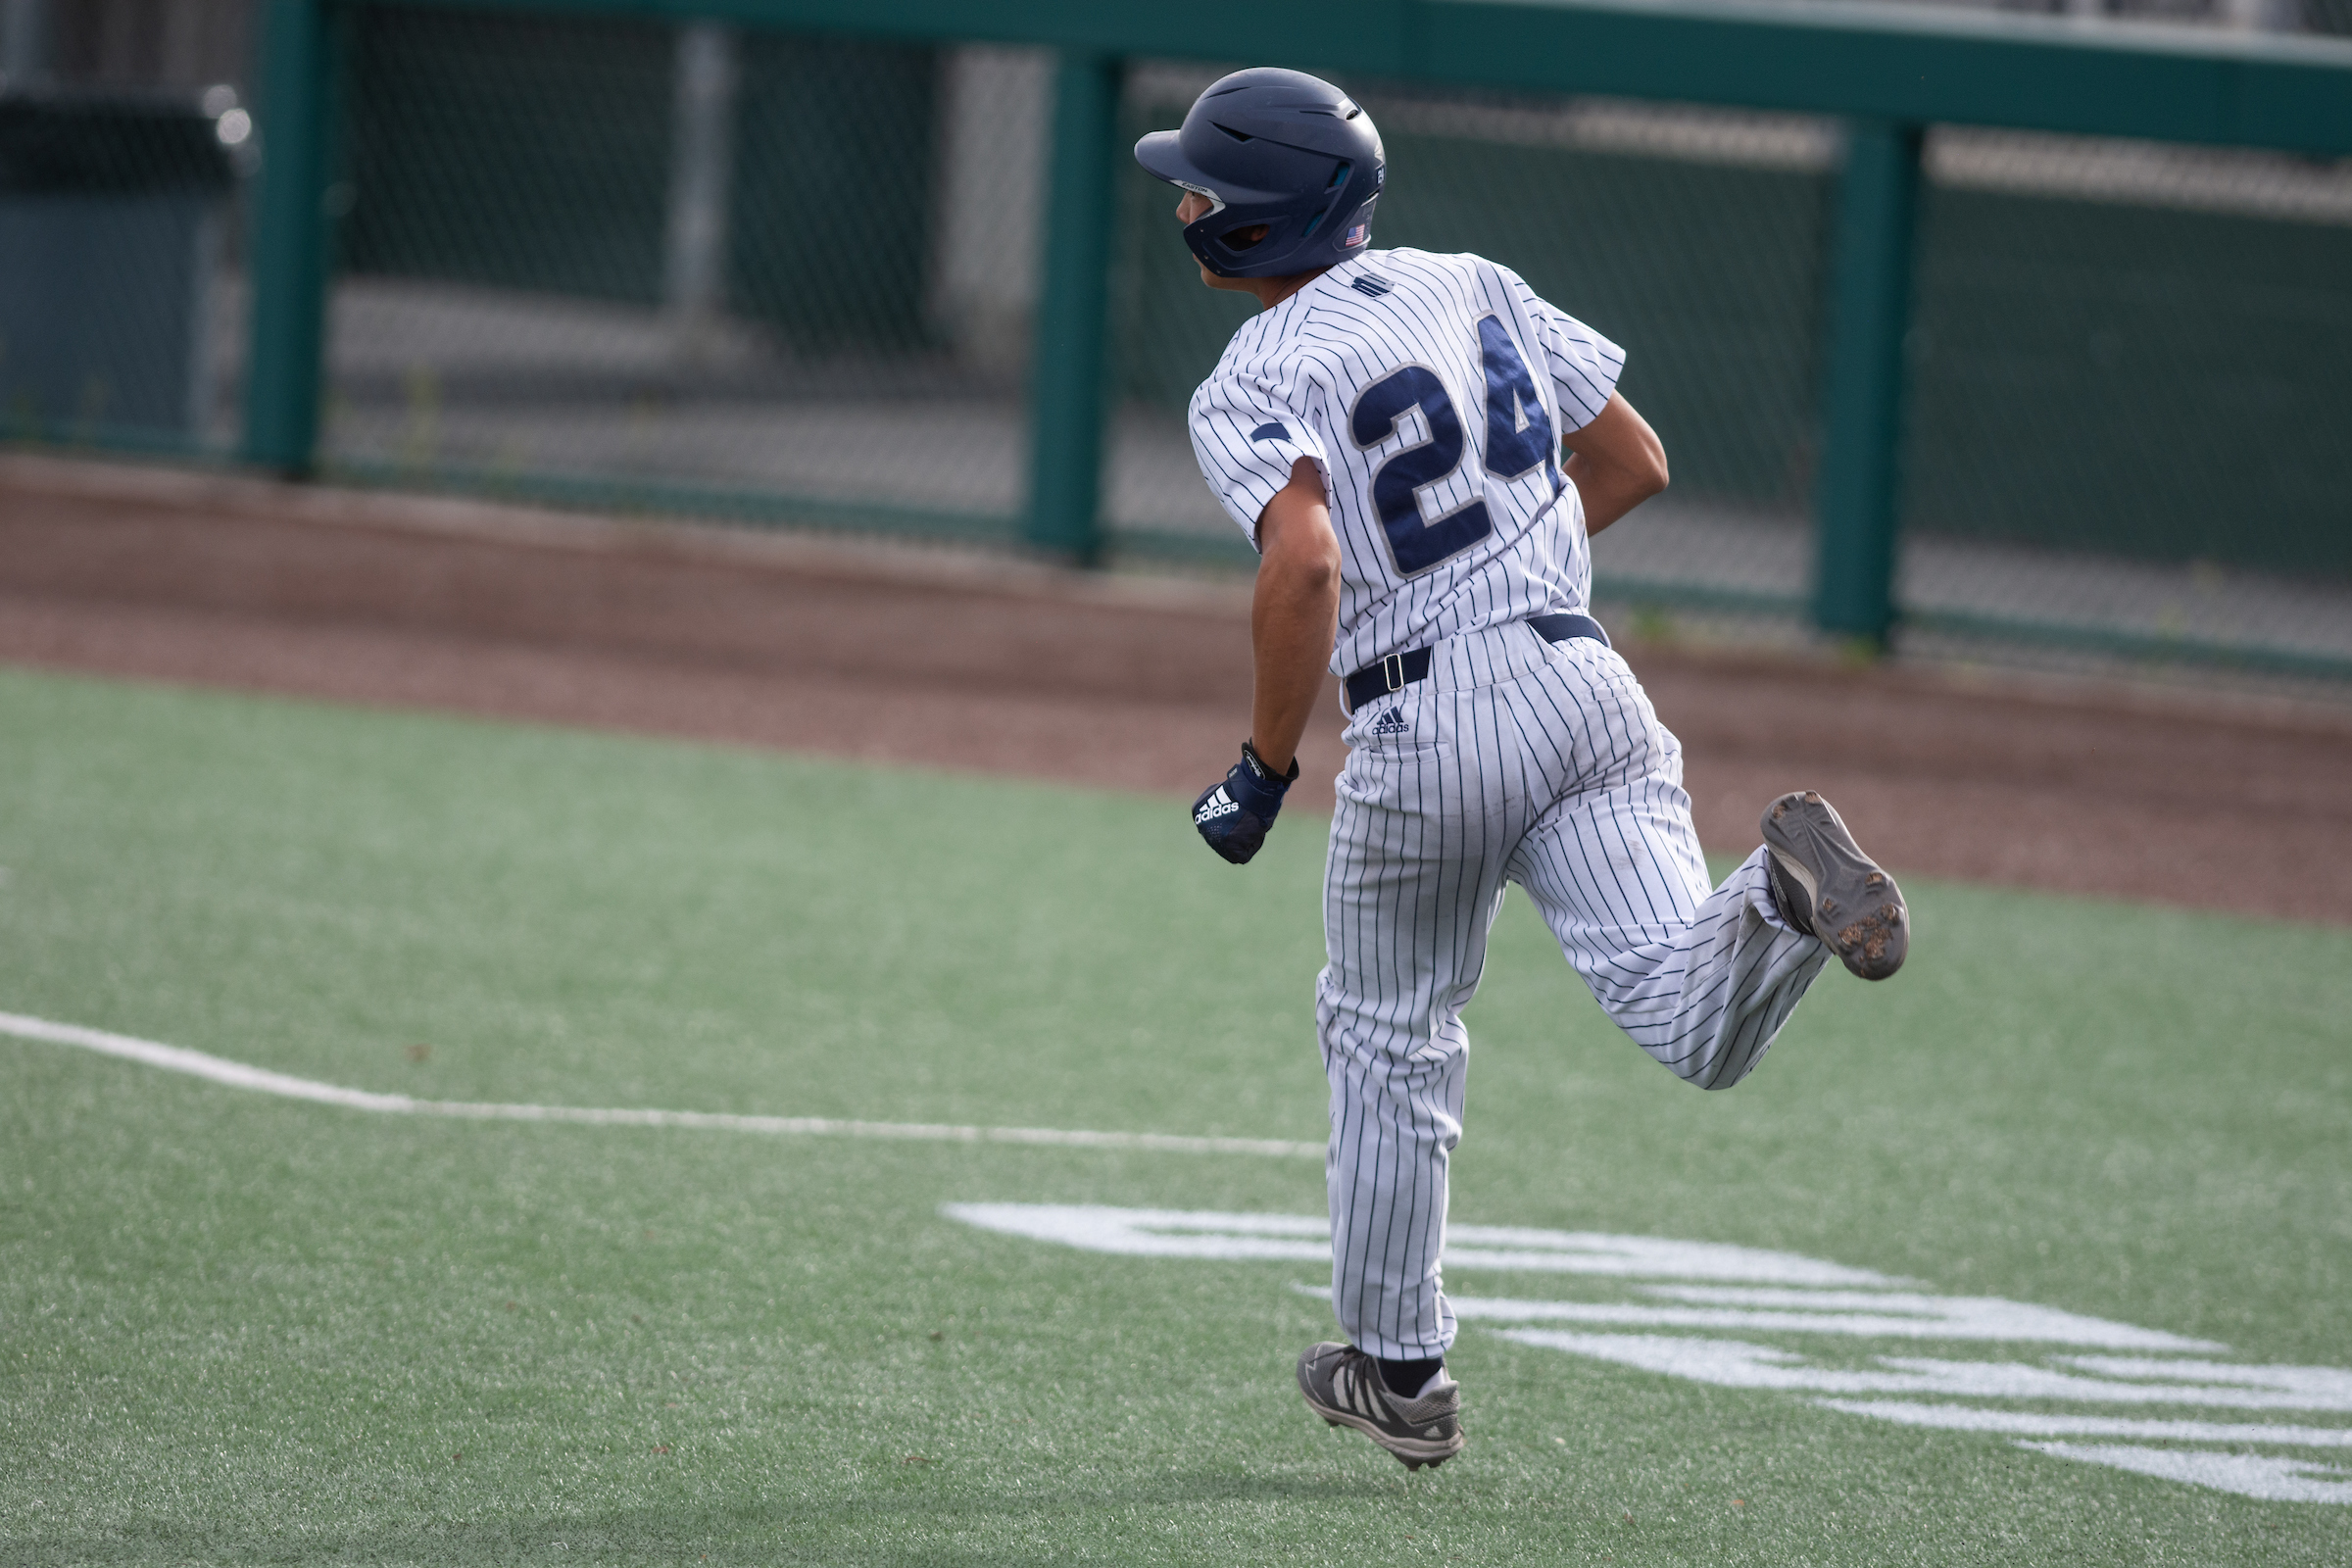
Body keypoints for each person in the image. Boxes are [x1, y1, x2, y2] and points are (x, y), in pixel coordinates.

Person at [1138, 68, 1909, 1471]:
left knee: (1389, 1033)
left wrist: (1260, 768)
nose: (1184, 200)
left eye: (1203, 186)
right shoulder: (1472, 277)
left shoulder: (1250, 373)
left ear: (1256, 227)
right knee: (1690, 1011)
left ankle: (1401, 1370)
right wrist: (1509, 565)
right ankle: (1781, 902)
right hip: (1584, 679)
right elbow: (1631, 458)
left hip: (1427, 721)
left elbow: (1304, 561)